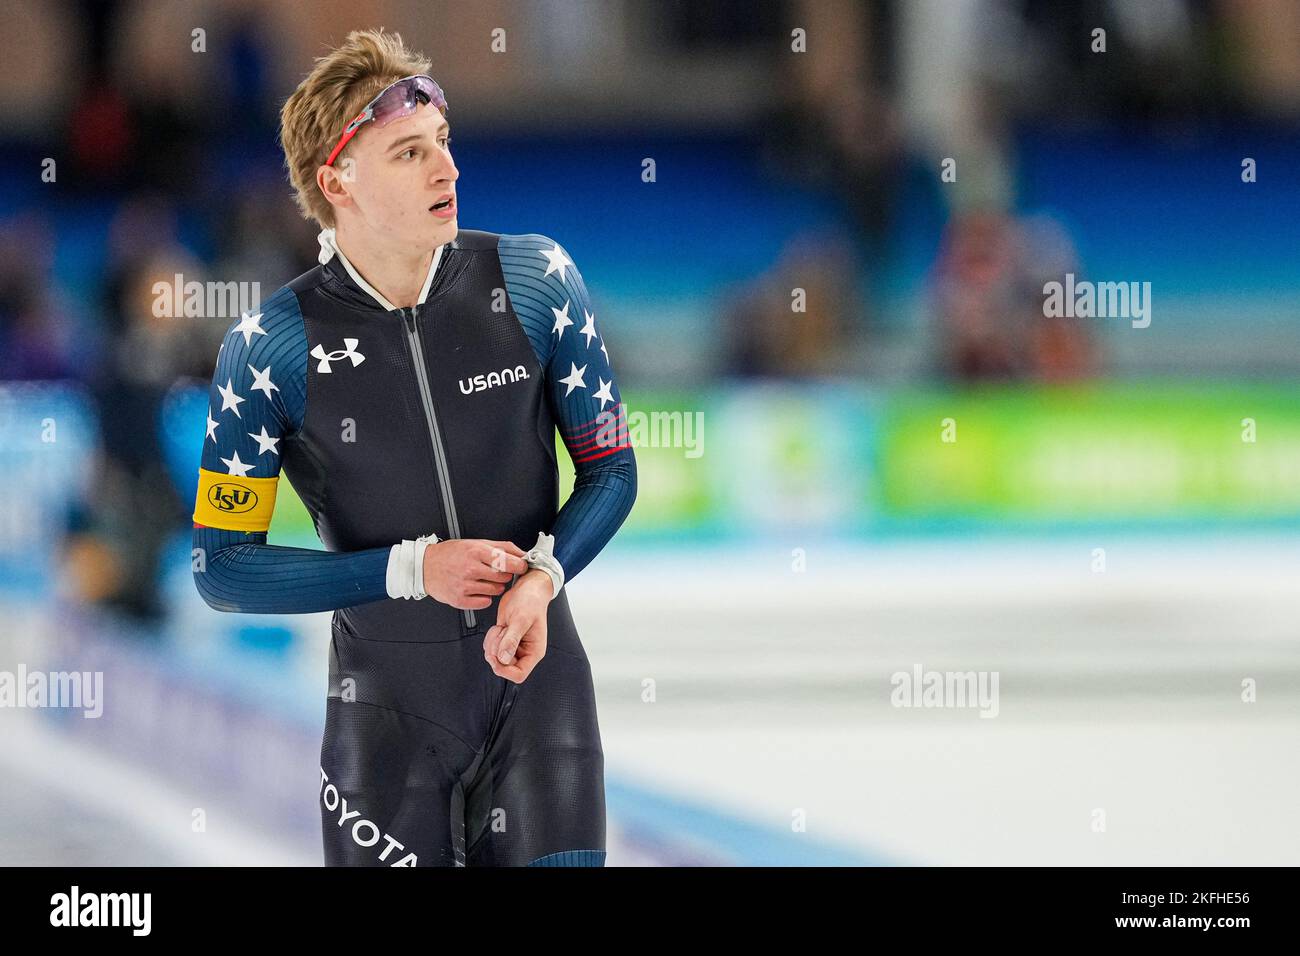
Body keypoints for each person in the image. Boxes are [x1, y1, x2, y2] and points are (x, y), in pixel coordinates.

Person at [190, 29, 636, 867]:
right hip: (384, 723)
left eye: (443, 144)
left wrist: (544, 577)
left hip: (539, 699)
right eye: (408, 153)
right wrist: (407, 571)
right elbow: (221, 568)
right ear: (339, 180)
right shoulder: (270, 348)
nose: (447, 170)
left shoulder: (537, 280)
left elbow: (613, 469)